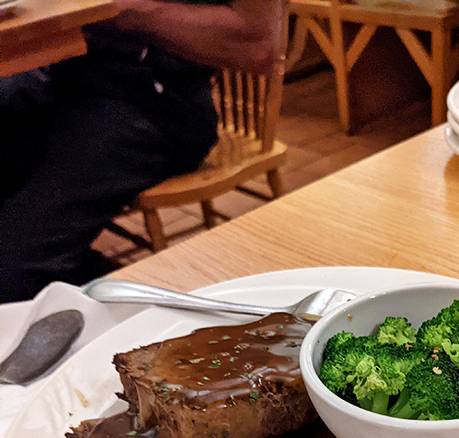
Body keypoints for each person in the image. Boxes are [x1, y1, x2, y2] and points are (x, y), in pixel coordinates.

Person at [0, 0, 284, 303]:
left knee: (15, 272)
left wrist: (123, 10)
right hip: (64, 77)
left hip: (155, 102)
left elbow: (259, 47)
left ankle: (120, 304)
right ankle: (79, 280)